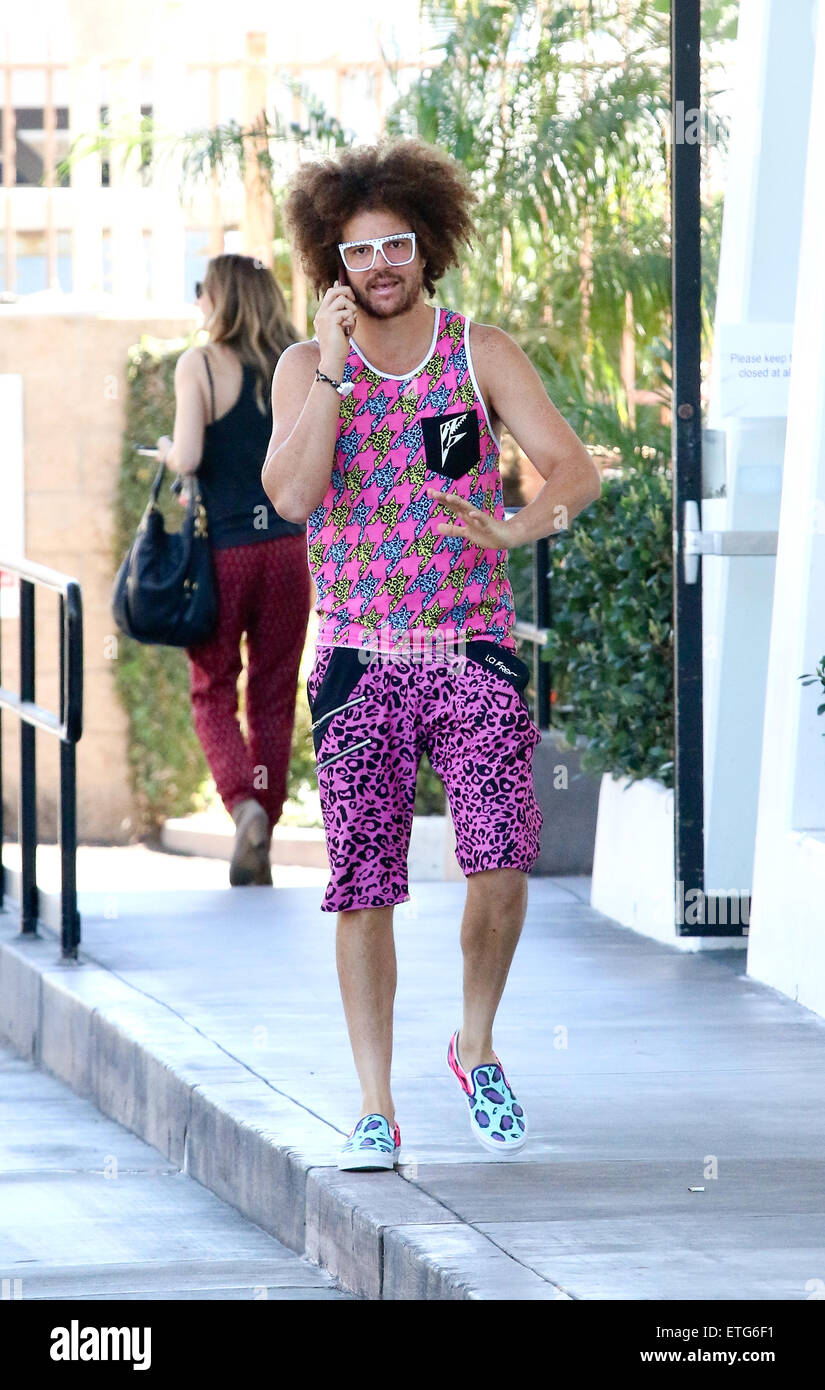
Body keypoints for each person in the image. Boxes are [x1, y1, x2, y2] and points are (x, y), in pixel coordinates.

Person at [262, 139, 601, 1167]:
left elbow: (573, 474)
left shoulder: (477, 350)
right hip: (361, 659)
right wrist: (328, 372)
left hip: (475, 652)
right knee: (363, 884)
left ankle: (477, 1045)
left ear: (428, 246)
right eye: (359, 251)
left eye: (398, 244)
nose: (381, 264)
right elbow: (290, 496)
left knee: (501, 862)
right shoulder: (303, 366)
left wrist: (517, 528)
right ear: (332, 262)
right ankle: (375, 1103)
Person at [156, 253, 311, 886]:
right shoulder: (296, 364)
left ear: (221, 298)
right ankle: (263, 834)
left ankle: (244, 808)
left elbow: (189, 454)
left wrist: (167, 452)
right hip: (286, 549)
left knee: (213, 688)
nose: (198, 302)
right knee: (273, 695)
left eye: (203, 291)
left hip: (222, 553)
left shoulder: (199, 364)